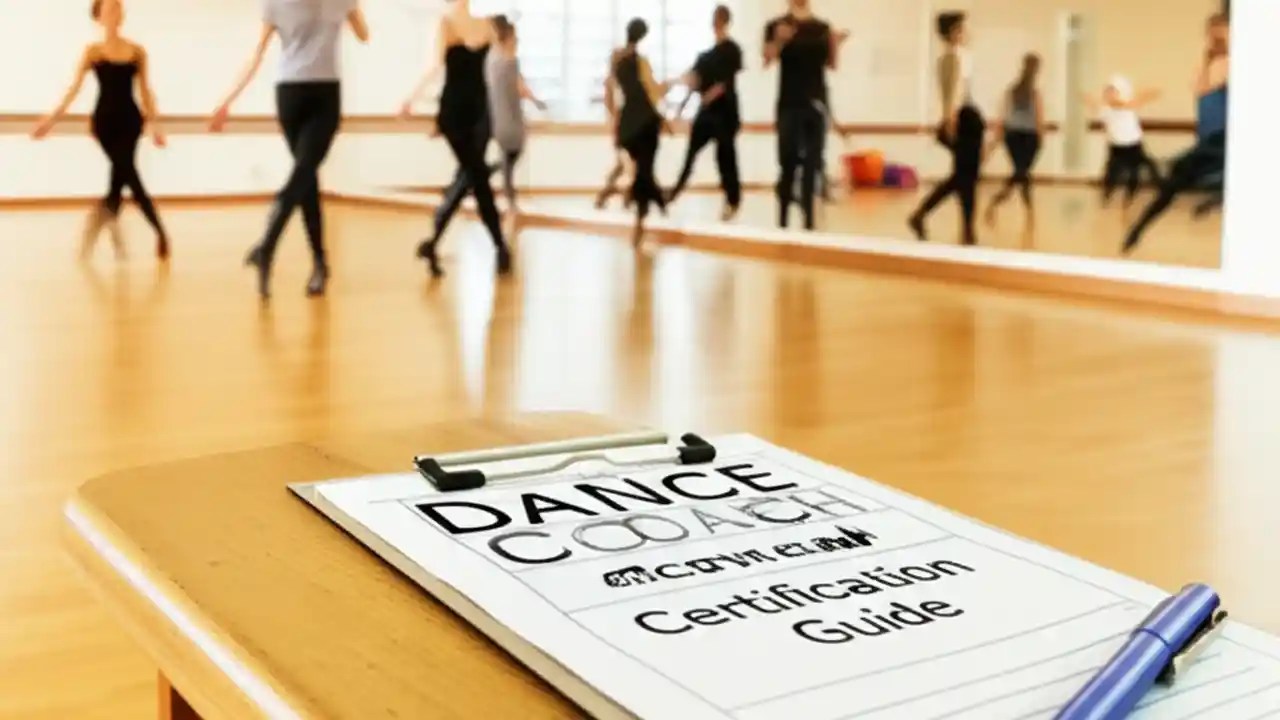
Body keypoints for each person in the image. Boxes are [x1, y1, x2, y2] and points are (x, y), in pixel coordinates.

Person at [210, 0, 369, 299]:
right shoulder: (275, 2)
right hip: (290, 94)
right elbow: (256, 54)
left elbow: (364, 34)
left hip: (326, 95)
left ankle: (267, 246)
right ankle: (320, 264)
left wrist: (352, 10)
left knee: (304, 170)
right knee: (306, 180)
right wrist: (228, 100)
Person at [33, 0, 170, 261]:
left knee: (119, 181)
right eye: (109, 9)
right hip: (105, 123)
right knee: (129, 175)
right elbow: (73, 90)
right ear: (98, 17)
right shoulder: (93, 52)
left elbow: (146, 92)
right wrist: (50, 120)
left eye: (118, 8)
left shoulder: (137, 51)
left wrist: (156, 125)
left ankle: (94, 234)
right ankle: (160, 232)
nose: (115, 13)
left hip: (131, 122)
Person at [401, 0, 510, 278]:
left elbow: (435, 66)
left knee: (469, 178)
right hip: (470, 114)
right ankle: (500, 247)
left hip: (465, 112)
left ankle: (434, 243)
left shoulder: (450, 22)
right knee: (475, 177)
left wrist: (410, 99)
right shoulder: (482, 23)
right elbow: (499, 61)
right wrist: (414, 99)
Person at [1124, 12, 1229, 253]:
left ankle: (1215, 200)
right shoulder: (1208, 63)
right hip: (1208, 139)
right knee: (1174, 181)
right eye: (1212, 31)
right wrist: (1208, 60)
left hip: (1226, 139)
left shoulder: (1237, 64)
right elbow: (1200, 89)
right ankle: (1137, 230)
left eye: (1221, 31)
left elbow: (1216, 85)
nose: (1216, 36)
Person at [763, 0, 847, 231]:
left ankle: (809, 223)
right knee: (787, 162)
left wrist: (836, 44)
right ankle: (781, 222)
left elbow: (832, 64)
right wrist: (780, 40)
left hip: (816, 103)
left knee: (812, 165)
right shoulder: (776, 25)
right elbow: (767, 59)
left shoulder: (822, 28)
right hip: (789, 104)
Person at [668, 5, 743, 221]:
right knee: (691, 152)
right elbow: (693, 82)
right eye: (714, 18)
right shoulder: (705, 56)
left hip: (725, 113)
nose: (716, 22)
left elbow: (725, 82)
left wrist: (710, 95)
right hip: (707, 113)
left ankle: (732, 200)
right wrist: (680, 109)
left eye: (719, 18)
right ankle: (673, 193)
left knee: (725, 158)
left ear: (725, 21)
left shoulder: (732, 50)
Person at [485, 15, 547, 233]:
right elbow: (521, 88)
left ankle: (495, 181)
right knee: (510, 159)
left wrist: (536, 101)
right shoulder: (507, 61)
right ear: (508, 37)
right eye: (515, 37)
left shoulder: (491, 59)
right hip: (508, 119)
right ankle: (510, 204)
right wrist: (537, 102)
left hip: (502, 117)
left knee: (507, 161)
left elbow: (519, 88)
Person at [614, 18, 671, 246]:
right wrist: (670, 85)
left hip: (629, 123)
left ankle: (650, 211)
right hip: (646, 123)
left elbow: (622, 91)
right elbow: (651, 92)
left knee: (643, 172)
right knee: (644, 172)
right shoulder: (642, 62)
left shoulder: (617, 61)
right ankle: (654, 207)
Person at [984, 53, 1046, 227]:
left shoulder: (1013, 90)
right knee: (1021, 173)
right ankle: (998, 203)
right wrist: (1041, 137)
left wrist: (998, 137)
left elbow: (1003, 115)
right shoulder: (1033, 92)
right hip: (1028, 136)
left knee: (1022, 174)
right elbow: (1040, 116)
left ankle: (1026, 210)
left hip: (1013, 136)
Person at [1086, 76, 1162, 208]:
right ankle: (1106, 196)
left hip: (1133, 144)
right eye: (1108, 91)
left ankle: (1130, 197)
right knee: (1112, 173)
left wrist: (1147, 94)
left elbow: (1136, 101)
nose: (1109, 94)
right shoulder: (1106, 109)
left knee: (1135, 171)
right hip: (1116, 146)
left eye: (1112, 91)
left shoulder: (1128, 106)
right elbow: (1101, 113)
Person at [596, 47, 634, 210]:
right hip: (621, 129)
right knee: (629, 166)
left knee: (621, 165)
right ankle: (625, 195)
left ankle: (605, 195)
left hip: (627, 126)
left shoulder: (625, 81)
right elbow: (611, 106)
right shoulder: (612, 83)